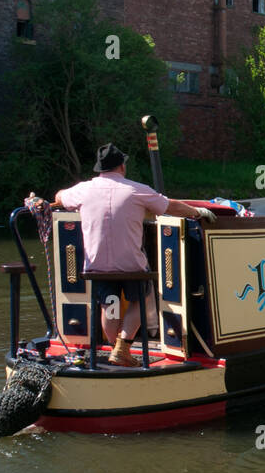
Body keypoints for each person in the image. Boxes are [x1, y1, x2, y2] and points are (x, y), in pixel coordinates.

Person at [43, 143, 212, 367]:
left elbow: (60, 196)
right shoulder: (136, 190)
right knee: (141, 301)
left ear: (99, 169)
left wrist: (62, 196)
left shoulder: (83, 190)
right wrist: (198, 212)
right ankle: (123, 348)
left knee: (110, 305)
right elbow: (170, 207)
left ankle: (116, 350)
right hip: (131, 266)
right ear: (122, 166)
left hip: (97, 267)